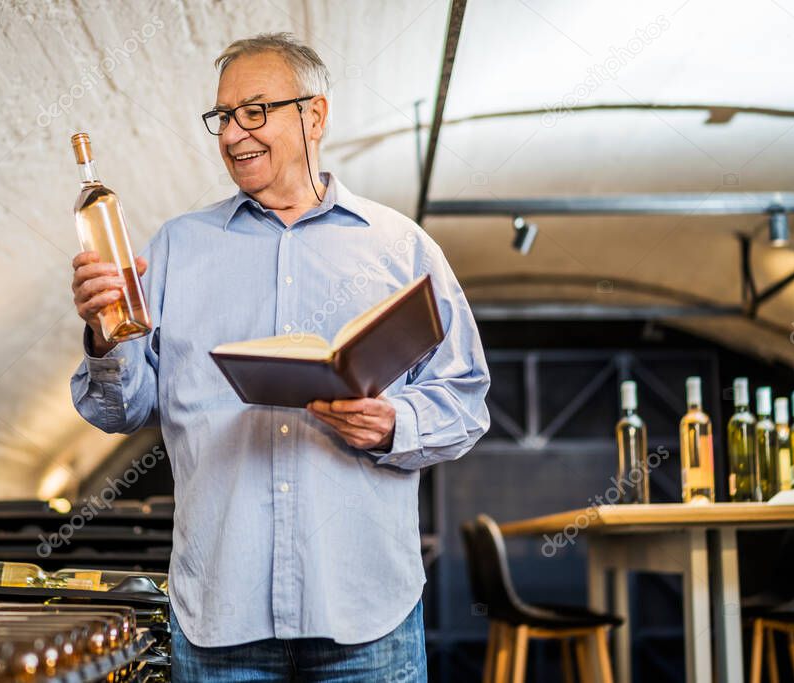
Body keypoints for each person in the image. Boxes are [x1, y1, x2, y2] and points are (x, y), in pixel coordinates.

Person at [70, 32, 490, 683]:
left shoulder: (401, 247)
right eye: (223, 116)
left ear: (314, 116)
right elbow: (119, 409)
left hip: (366, 611)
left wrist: (394, 424)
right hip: (219, 612)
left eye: (255, 111)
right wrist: (104, 338)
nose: (234, 133)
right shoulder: (177, 247)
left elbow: (465, 399)